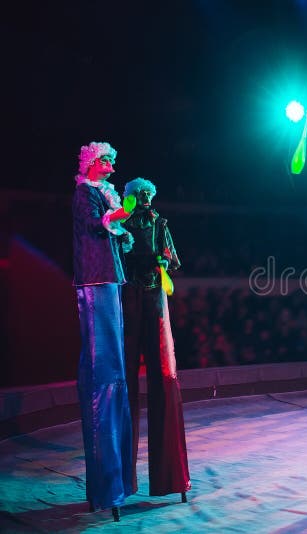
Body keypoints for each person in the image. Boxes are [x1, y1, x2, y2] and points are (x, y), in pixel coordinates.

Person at [72, 141, 136, 521]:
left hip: (109, 280)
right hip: (94, 282)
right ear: (94, 163)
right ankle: (107, 481)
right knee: (103, 370)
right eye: (108, 161)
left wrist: (124, 221)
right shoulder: (84, 193)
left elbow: (113, 231)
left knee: (114, 369)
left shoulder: (104, 193)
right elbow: (97, 226)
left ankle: (117, 481)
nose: (113, 167)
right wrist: (120, 216)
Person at [121, 177, 191, 501]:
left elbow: (172, 259)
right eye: (140, 194)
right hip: (128, 299)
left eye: (150, 193)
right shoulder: (121, 223)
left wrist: (163, 263)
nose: (146, 198)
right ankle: (121, 480)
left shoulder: (160, 223)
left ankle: (168, 478)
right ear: (131, 197)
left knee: (163, 379)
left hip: (153, 300)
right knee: (125, 384)